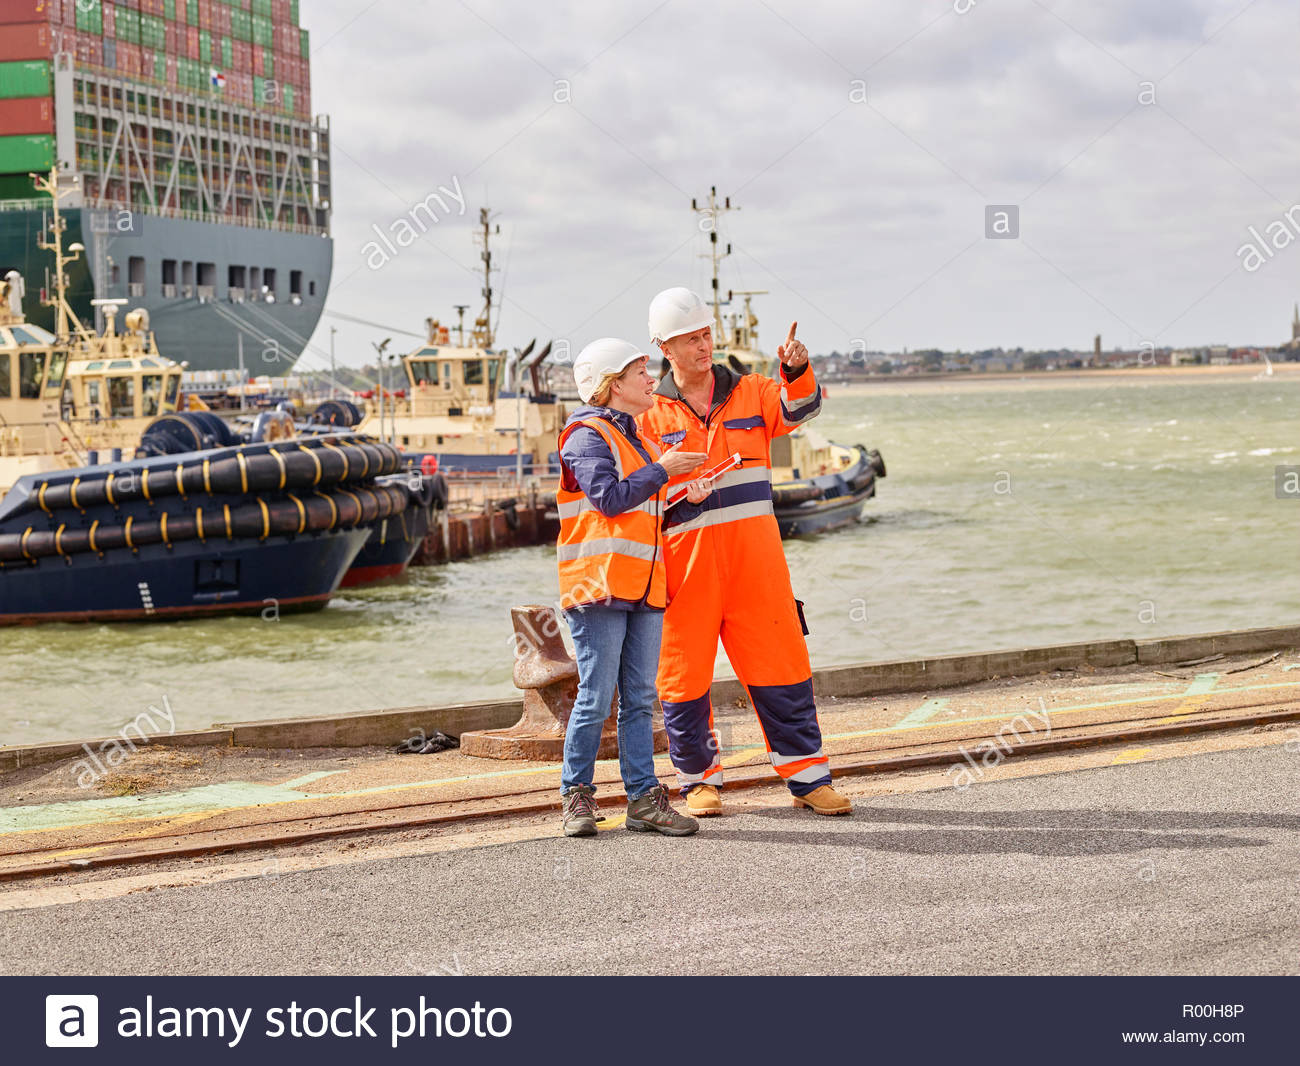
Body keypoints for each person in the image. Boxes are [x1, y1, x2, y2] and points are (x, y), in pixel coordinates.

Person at [638, 287, 852, 817]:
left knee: (782, 666)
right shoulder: (650, 415)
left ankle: (808, 779)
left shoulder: (754, 391)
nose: (703, 346)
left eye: (707, 335)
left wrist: (796, 370)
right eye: (691, 339)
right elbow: (634, 494)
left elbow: (802, 407)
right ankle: (700, 782)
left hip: (757, 570)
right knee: (682, 679)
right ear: (665, 346)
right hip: (685, 574)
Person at [556, 337, 711, 838]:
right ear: (612, 385)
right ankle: (576, 797)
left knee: (641, 698)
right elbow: (608, 498)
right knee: (596, 698)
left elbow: (649, 516)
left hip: (643, 588)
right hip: (599, 587)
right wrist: (663, 470)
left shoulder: (637, 440)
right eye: (640, 372)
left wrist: (689, 499)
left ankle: (643, 800)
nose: (651, 379)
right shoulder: (585, 435)